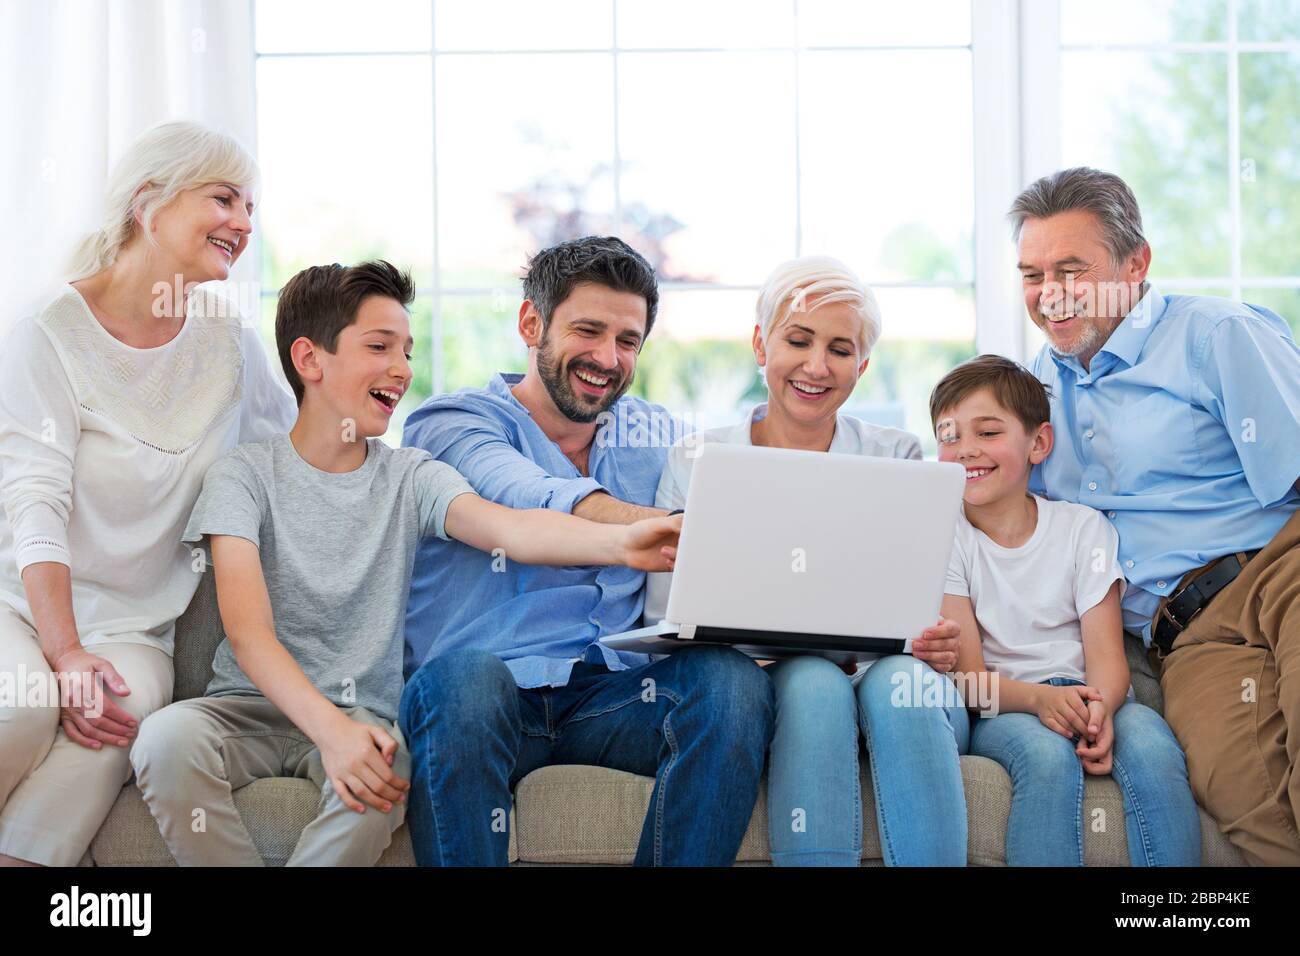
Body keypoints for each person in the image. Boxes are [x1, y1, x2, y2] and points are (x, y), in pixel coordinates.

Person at [129, 259, 681, 865]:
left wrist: (625, 544)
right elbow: (250, 636)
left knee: (385, 779)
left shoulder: (413, 477)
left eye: (408, 351)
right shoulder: (244, 477)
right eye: (379, 346)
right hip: (244, 708)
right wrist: (329, 733)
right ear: (310, 360)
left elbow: (514, 531)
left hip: (367, 714)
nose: (402, 369)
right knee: (163, 741)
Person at [400, 236, 774, 866]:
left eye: (627, 341)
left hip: (612, 699)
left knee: (731, 684)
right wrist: (644, 528)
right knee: (464, 681)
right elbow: (525, 492)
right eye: (588, 330)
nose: (607, 357)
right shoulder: (450, 422)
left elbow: (737, 513)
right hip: (485, 699)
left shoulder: (656, 435)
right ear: (531, 323)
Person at [0, 121, 297, 867]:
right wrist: (63, 652)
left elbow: (294, 450)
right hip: (21, 606)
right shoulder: (46, 332)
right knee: (22, 709)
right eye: (223, 198)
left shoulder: (228, 346)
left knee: (117, 712)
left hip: (134, 630)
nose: (244, 222)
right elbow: (33, 500)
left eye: (250, 207)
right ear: (148, 203)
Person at [1012, 166, 1300, 864]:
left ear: (1135, 264)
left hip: (1278, 570)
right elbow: (987, 511)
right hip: (1187, 636)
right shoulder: (1034, 389)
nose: (1049, 294)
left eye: (1071, 270)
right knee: (1251, 804)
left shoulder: (1214, 335)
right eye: (1031, 273)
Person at [645, 255, 963, 866]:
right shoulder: (698, 459)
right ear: (761, 344)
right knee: (813, 683)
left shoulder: (895, 455)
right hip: (763, 678)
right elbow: (671, 617)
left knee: (903, 685)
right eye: (798, 340)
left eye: (840, 349)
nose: (817, 366)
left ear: (862, 366)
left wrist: (931, 641)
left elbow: (915, 602)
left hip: (880, 671)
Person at [933, 354, 1201, 866]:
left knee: (1155, 749)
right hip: (1008, 705)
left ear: (1039, 443)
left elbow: (1106, 656)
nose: (966, 449)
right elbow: (969, 683)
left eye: (988, 433)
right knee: (1046, 757)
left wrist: (1100, 708)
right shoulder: (947, 537)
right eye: (949, 436)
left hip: (1089, 693)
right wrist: (1038, 702)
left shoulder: (1083, 529)